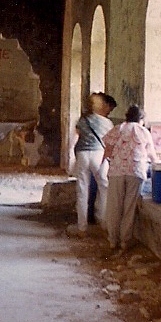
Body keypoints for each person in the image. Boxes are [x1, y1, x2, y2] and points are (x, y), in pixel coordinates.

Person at [101, 104, 156, 253]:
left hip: (117, 171)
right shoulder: (144, 132)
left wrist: (106, 165)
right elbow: (152, 155)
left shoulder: (117, 129)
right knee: (129, 208)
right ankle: (125, 241)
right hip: (136, 171)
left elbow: (107, 151)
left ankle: (113, 240)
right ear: (141, 119)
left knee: (114, 206)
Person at [68, 92, 115, 236]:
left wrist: (69, 154)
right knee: (104, 187)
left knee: (82, 190)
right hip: (99, 155)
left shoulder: (82, 120)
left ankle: (82, 227)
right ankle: (103, 221)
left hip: (82, 155)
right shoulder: (106, 122)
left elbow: (74, 139)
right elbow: (110, 143)